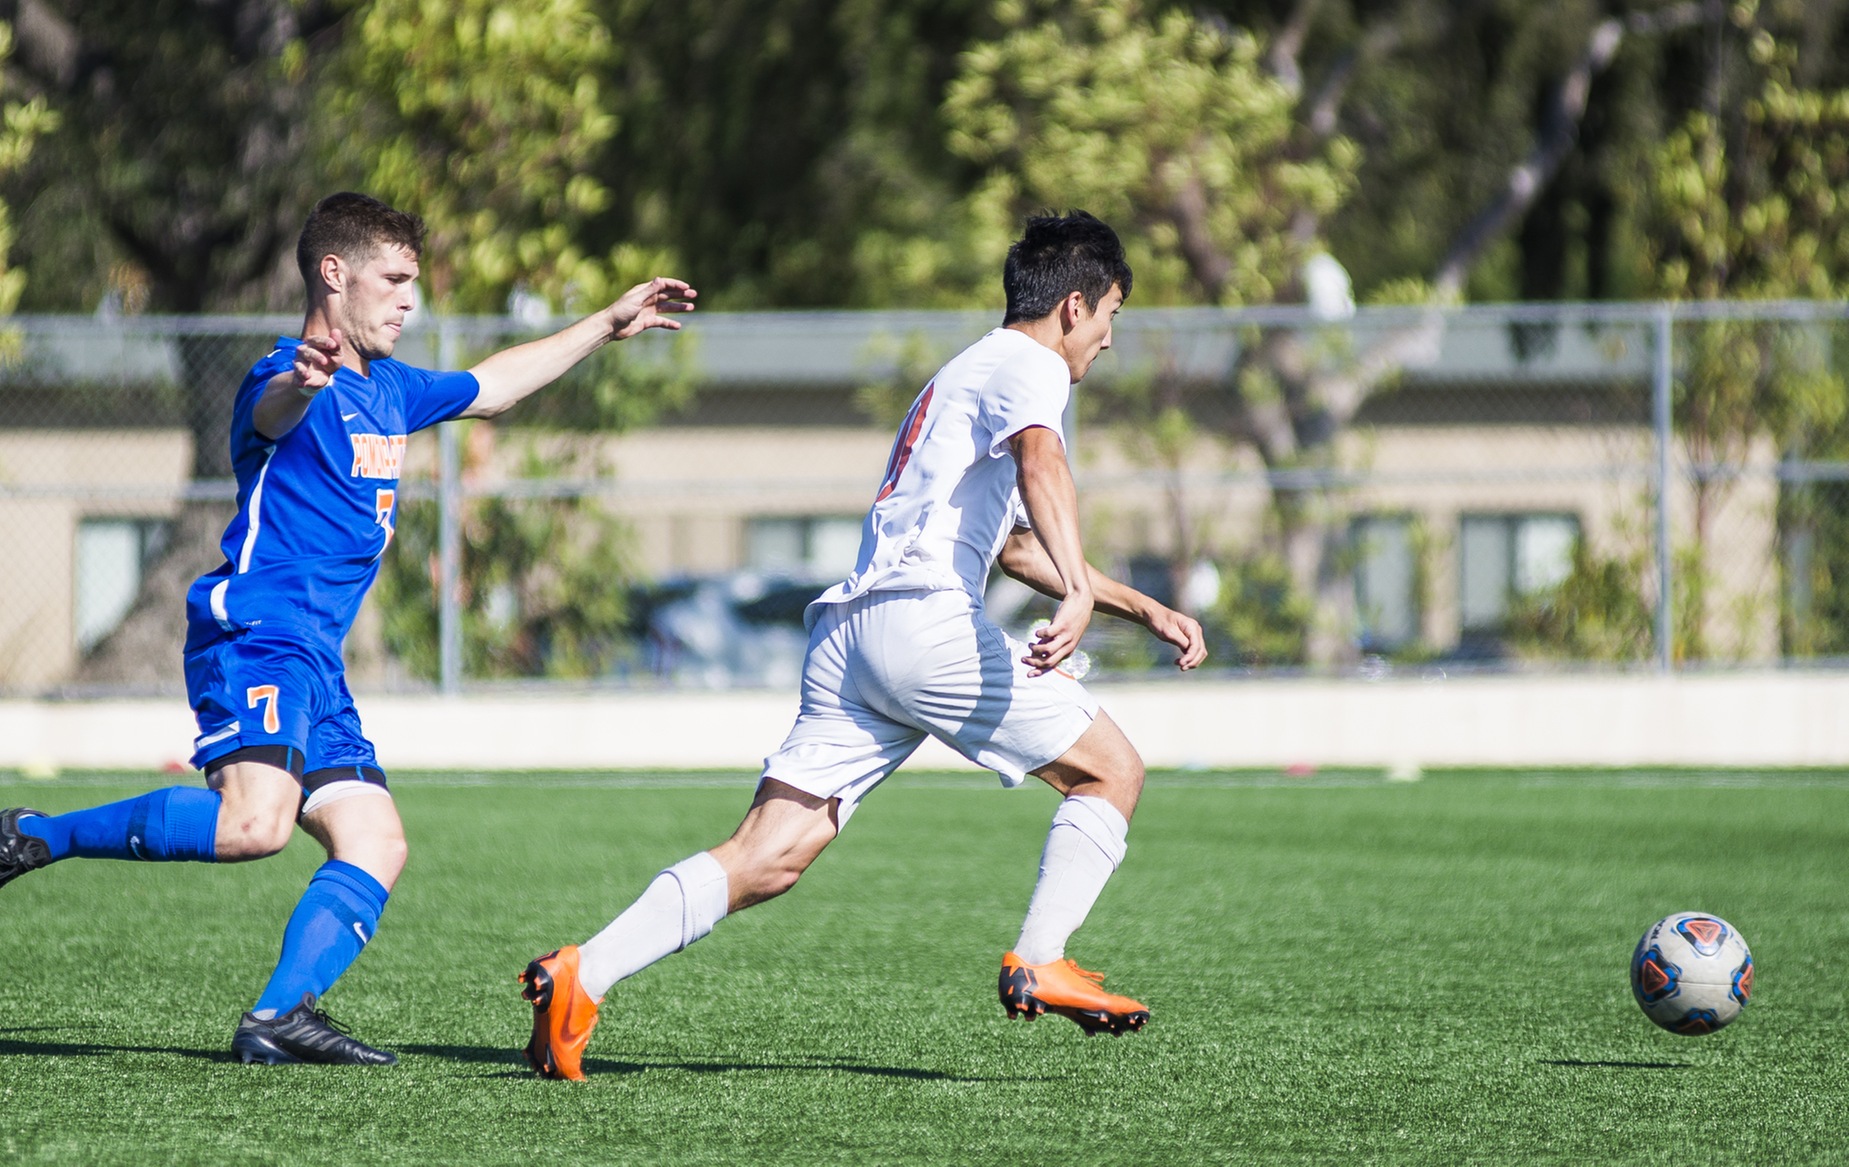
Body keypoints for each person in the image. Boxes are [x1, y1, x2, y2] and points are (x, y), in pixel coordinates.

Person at [0, 192, 695, 1065]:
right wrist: (301, 383)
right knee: (253, 825)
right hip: (258, 633)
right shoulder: (282, 375)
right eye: (393, 280)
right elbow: (271, 412)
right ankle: (34, 834)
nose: (410, 300)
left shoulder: (393, 388)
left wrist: (604, 324)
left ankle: (277, 1016)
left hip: (316, 661)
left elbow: (493, 387)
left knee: (377, 841)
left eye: (413, 282)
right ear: (334, 273)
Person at [519, 210, 1206, 1081]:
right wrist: (1076, 589)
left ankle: (583, 974)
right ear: (1074, 306)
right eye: (1110, 315)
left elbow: (1011, 546)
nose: (1108, 339)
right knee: (1112, 770)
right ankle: (1040, 956)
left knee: (769, 854)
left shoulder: (967, 374)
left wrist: (1138, 606)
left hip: (854, 635)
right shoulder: (1029, 365)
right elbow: (1044, 464)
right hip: (923, 626)